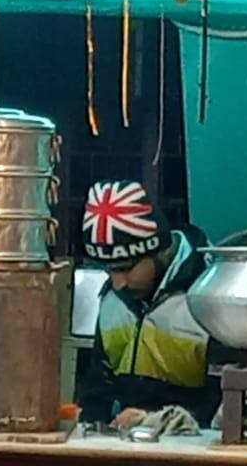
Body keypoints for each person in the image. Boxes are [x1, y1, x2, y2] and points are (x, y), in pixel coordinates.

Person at [75, 180, 220, 429]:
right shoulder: (115, 301)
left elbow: (228, 406)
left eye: (126, 268)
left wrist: (165, 421)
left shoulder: (210, 296)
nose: (118, 283)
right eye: (109, 270)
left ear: (160, 250)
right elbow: (97, 394)